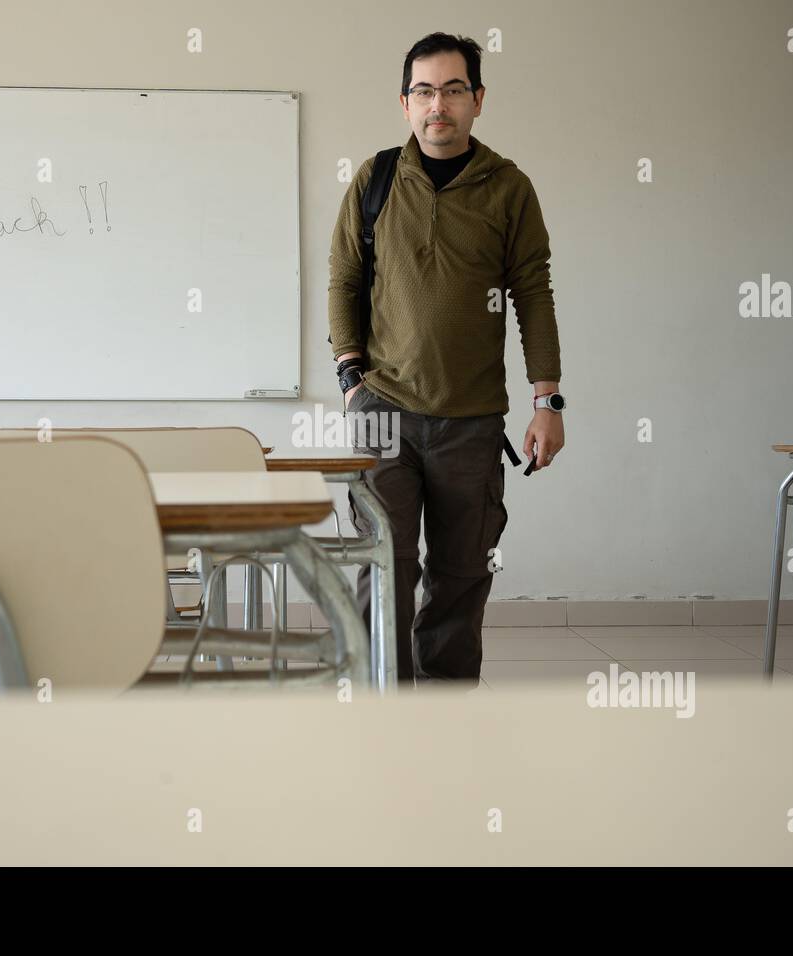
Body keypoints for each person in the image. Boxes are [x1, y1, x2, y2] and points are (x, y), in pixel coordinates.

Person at [328, 32, 565, 686]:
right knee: (386, 569)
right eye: (425, 91)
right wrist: (351, 379)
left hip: (473, 421)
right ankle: (384, 718)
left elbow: (534, 292)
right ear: (405, 103)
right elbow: (344, 279)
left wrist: (548, 401)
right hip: (383, 414)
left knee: (461, 578)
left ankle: (448, 722)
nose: (439, 104)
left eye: (453, 90)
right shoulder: (375, 180)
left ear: (477, 100)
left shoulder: (508, 188)